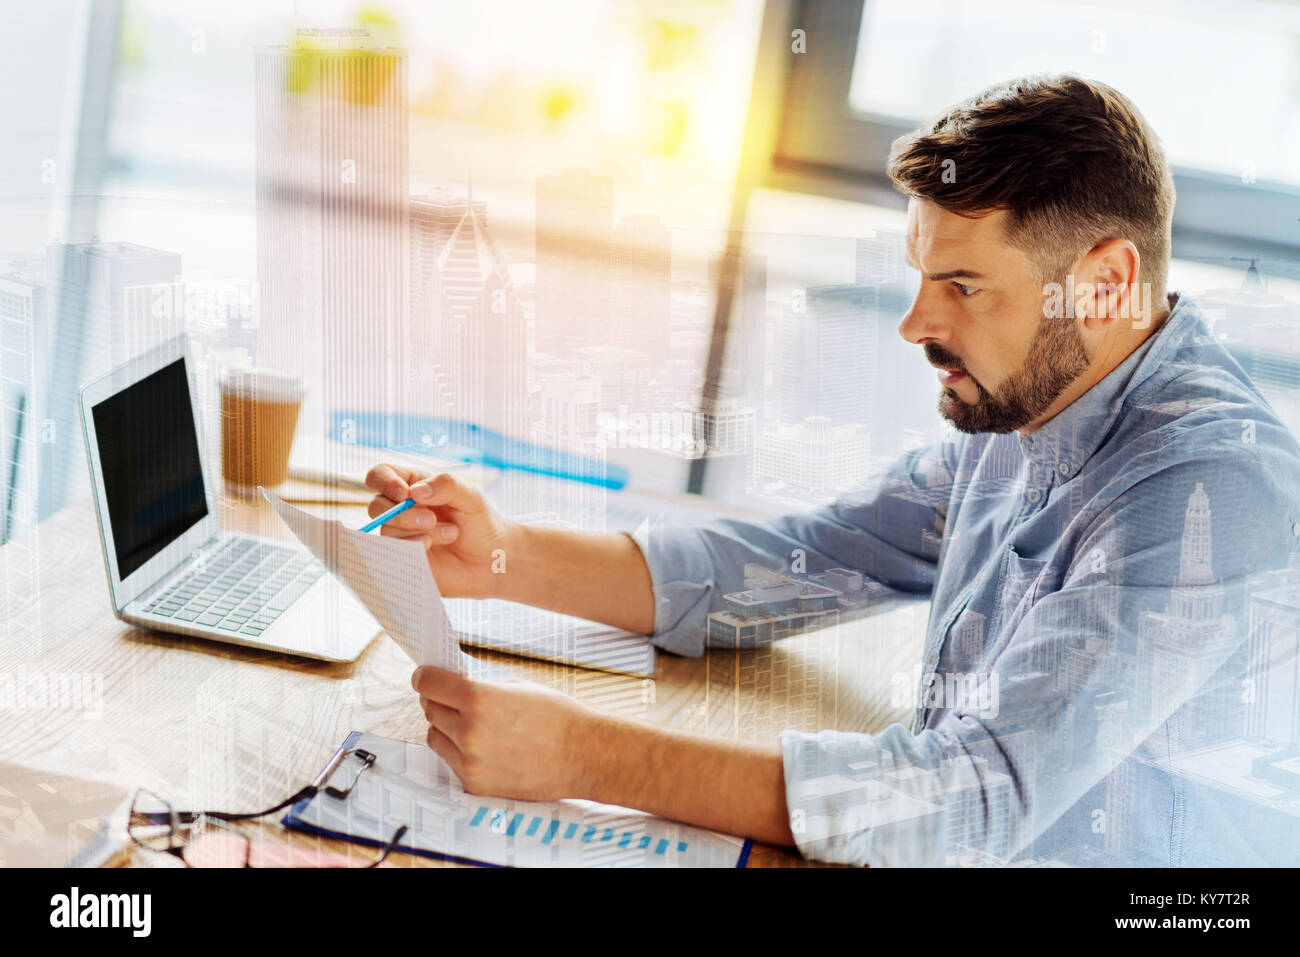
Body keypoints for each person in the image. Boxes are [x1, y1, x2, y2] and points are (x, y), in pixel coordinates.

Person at [365, 74, 1300, 866]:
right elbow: (807, 557)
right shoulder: (1025, 407)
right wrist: (498, 554)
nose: (916, 324)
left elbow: (968, 801)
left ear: (1102, 283)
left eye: (963, 286)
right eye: (921, 276)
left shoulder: (1213, 492)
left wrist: (579, 753)